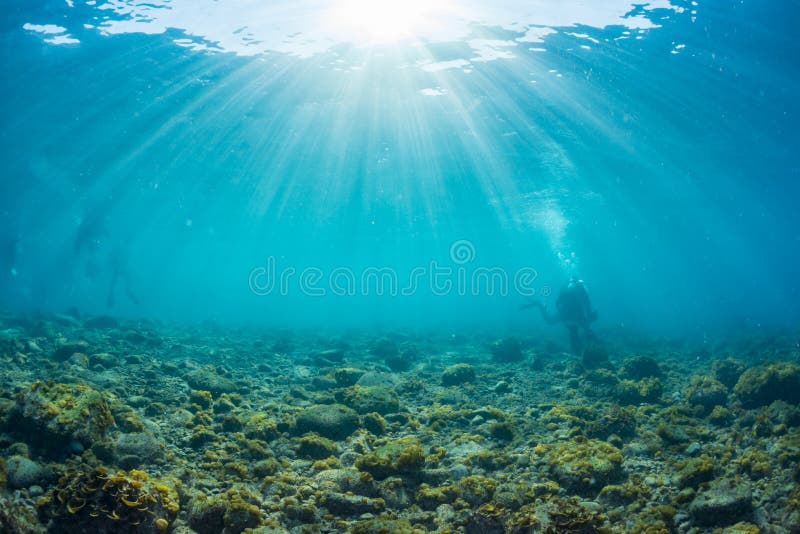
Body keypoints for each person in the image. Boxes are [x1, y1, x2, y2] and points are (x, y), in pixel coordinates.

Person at [524, 276, 598, 353]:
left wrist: (562, 314)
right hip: (571, 312)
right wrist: (589, 316)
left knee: (550, 321)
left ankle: (540, 304)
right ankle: (540, 304)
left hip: (565, 311)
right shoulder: (582, 291)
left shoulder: (569, 289)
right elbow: (587, 304)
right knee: (584, 328)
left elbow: (558, 301)